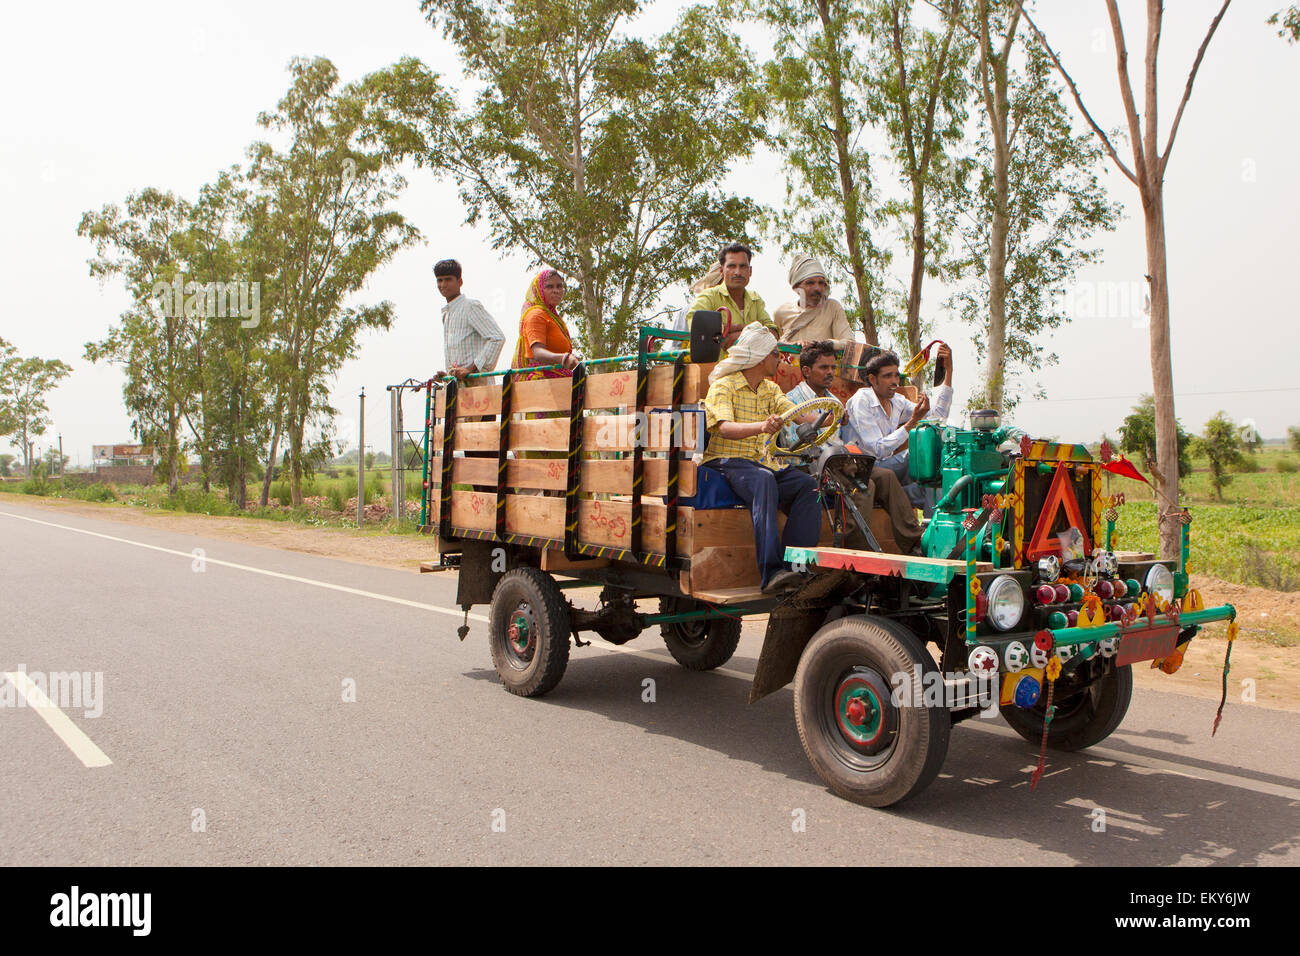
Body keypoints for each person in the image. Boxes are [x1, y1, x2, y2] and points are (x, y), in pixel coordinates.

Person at [703, 323, 822, 594]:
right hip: (727, 461)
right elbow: (724, 428)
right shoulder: (724, 386)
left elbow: (799, 413)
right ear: (759, 356)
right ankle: (771, 573)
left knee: (810, 485)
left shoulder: (770, 388)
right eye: (774, 354)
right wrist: (761, 426)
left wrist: (826, 418)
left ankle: (796, 569)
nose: (778, 359)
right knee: (764, 480)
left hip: (761, 463)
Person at [782, 342, 924, 554]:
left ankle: (914, 542)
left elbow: (839, 441)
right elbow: (798, 444)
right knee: (865, 486)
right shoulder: (792, 400)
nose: (830, 372)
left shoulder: (833, 400)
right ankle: (856, 553)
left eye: (832, 367)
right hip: (809, 466)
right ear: (806, 371)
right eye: (824, 367)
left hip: (838, 463)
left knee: (886, 477)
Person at [842, 346, 954, 514]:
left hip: (887, 468)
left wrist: (949, 372)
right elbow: (877, 450)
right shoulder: (862, 400)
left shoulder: (897, 401)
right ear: (872, 379)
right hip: (863, 468)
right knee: (918, 453)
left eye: (896, 375)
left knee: (932, 472)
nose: (894, 381)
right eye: (887, 376)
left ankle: (932, 527)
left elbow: (938, 417)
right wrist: (911, 423)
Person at [681, 242, 774, 351]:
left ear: (750, 271)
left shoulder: (755, 299)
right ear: (721, 271)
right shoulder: (709, 296)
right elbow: (697, 326)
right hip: (716, 367)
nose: (738, 272)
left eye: (743, 266)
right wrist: (754, 330)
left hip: (752, 367)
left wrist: (738, 334)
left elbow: (773, 332)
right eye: (732, 266)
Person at [435, 259, 505, 380]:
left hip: (478, 388)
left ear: (459, 282)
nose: (443, 285)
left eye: (448, 279)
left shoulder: (470, 307)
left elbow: (497, 338)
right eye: (440, 280)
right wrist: (448, 376)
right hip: (458, 389)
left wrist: (471, 368)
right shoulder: (446, 316)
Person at [772, 255, 854, 351]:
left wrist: (820, 345)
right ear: (796, 288)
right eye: (810, 283)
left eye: (821, 283)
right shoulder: (781, 313)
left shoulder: (832, 307)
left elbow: (850, 344)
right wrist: (792, 346)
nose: (818, 288)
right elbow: (773, 349)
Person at [513, 268, 581, 379]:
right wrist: (564, 358)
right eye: (549, 287)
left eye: (559, 286)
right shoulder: (536, 315)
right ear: (539, 290)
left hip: (560, 377)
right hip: (542, 380)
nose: (556, 290)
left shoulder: (553, 317)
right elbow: (537, 353)